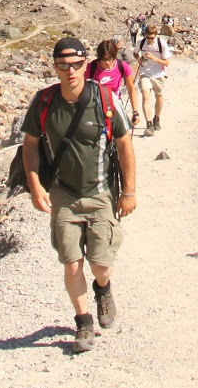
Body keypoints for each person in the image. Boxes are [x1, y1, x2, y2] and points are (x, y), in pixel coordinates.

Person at [21, 36, 138, 354]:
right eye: (63, 65)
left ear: (85, 64)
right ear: (55, 67)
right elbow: (30, 144)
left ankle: (103, 287)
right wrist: (35, 185)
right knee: (72, 262)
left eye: (75, 64)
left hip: (100, 192)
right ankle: (83, 321)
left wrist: (128, 192)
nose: (70, 71)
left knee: (100, 264)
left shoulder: (105, 99)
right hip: (64, 195)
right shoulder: (44, 102)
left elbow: (125, 145)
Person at [88, 38, 141, 128]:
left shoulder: (122, 66)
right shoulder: (91, 67)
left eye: (110, 58)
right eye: (103, 59)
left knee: (123, 133)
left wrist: (135, 112)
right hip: (96, 106)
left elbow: (131, 89)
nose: (107, 62)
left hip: (115, 104)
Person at [136, 18, 173, 134]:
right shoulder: (141, 43)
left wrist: (154, 58)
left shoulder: (161, 44)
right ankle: (149, 124)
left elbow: (166, 62)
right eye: (148, 37)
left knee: (158, 96)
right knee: (145, 94)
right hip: (145, 73)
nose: (150, 40)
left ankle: (156, 118)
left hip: (159, 74)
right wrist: (139, 59)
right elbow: (135, 53)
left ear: (155, 35)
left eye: (152, 38)